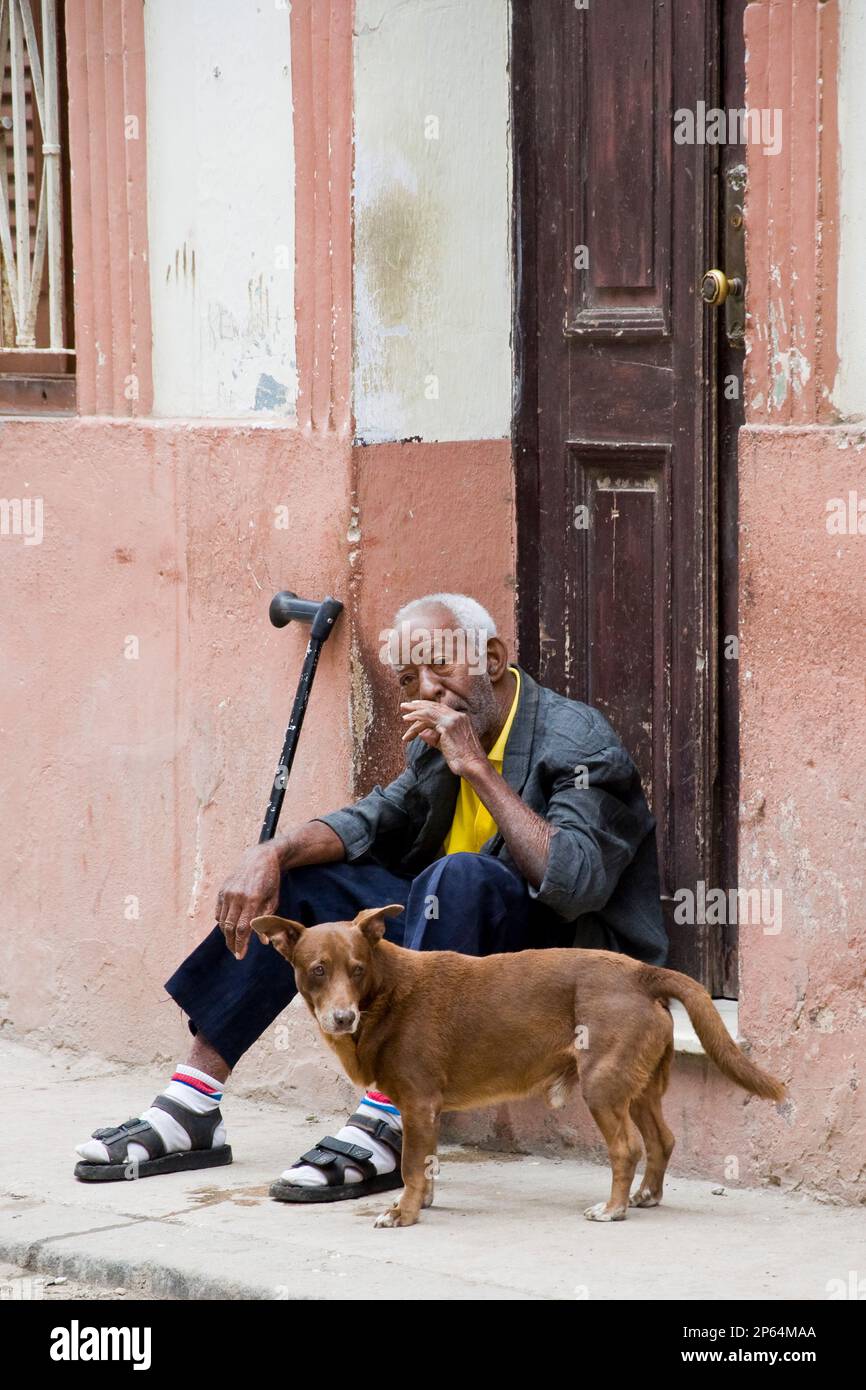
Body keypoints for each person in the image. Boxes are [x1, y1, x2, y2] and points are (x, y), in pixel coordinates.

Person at [75, 592, 668, 1202]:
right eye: (410, 677)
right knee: (306, 891)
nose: (428, 688)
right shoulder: (434, 741)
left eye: (442, 666)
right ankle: (194, 1103)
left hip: (550, 965)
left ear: (491, 658)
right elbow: (376, 816)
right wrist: (273, 853)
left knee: (458, 876)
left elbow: (576, 884)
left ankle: (388, 1119)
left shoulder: (576, 741)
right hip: (449, 947)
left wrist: (477, 769)